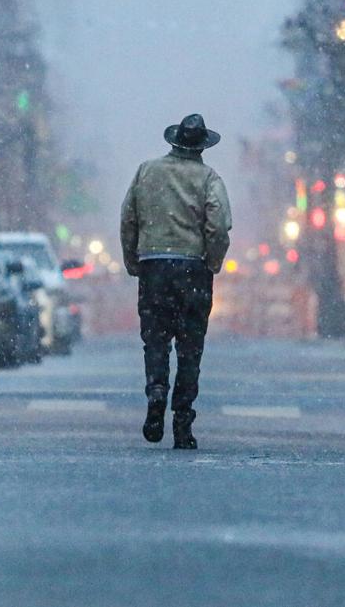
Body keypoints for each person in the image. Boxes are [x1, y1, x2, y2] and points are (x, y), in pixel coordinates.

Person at [120, 114, 232, 449]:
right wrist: (212, 262)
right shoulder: (209, 179)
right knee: (190, 347)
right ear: (202, 146)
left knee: (155, 340)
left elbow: (128, 218)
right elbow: (218, 226)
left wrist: (133, 259)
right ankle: (183, 420)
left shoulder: (146, 171)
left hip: (153, 267)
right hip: (193, 269)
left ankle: (156, 390)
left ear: (174, 141)